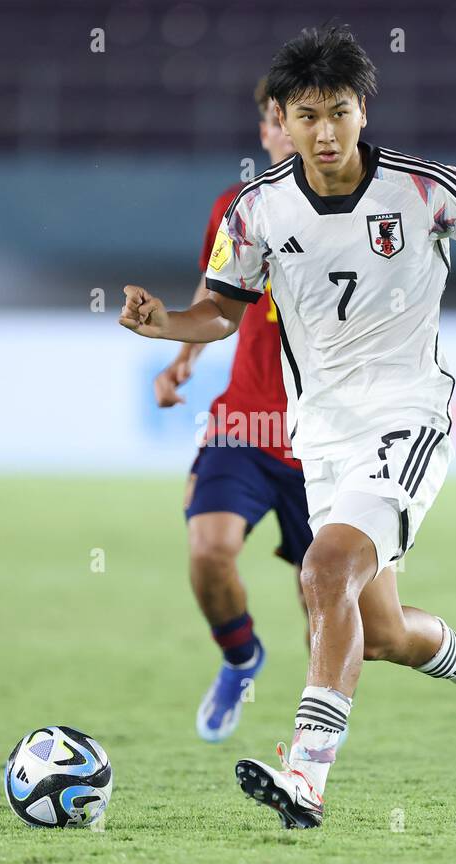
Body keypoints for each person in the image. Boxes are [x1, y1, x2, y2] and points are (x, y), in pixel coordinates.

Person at [120, 25, 456, 828]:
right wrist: (165, 323)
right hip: (322, 438)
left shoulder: (427, 189)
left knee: (323, 571)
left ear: (363, 109)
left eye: (340, 111)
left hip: (408, 418)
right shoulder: (256, 210)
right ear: (282, 117)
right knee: (375, 633)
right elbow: (221, 314)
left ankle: (304, 775)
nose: (326, 131)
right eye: (307, 115)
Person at [153, 79, 312, 743]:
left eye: (306, 118)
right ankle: (241, 658)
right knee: (207, 550)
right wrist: (183, 352)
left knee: (330, 601)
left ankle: (314, 737)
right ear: (268, 132)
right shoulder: (239, 206)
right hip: (244, 423)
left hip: (326, 440)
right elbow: (218, 292)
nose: (294, 132)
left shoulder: (363, 214)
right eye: (281, 120)